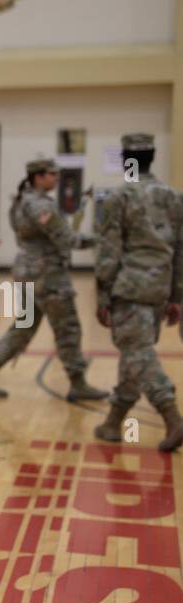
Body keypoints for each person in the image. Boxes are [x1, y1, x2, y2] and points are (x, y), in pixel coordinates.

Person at [0, 157, 108, 401]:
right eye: (51, 174)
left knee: (23, 326)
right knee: (68, 329)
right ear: (38, 176)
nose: (56, 178)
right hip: (48, 275)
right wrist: (100, 239)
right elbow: (66, 238)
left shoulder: (21, 201)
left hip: (27, 272)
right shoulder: (40, 205)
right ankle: (78, 383)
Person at [92, 133, 183, 451]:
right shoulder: (174, 196)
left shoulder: (119, 197)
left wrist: (102, 295)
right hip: (159, 288)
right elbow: (180, 250)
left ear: (124, 160)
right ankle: (114, 422)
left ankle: (172, 416)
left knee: (138, 353)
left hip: (129, 287)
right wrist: (176, 296)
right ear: (153, 157)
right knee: (135, 352)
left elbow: (109, 251)